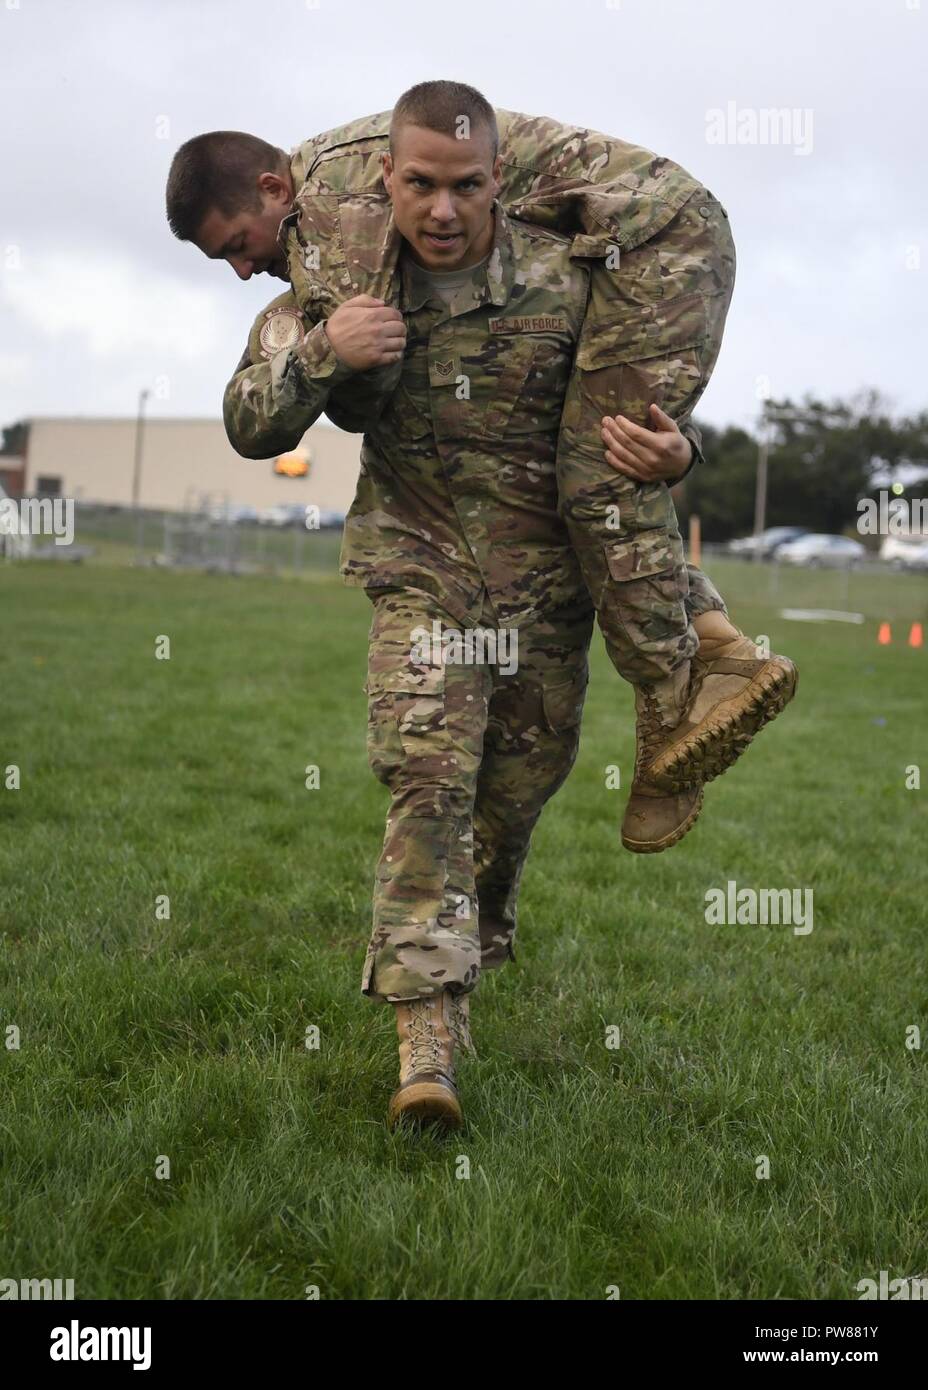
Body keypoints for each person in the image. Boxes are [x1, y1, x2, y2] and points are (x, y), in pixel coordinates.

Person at [166, 91, 797, 857]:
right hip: (651, 241)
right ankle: (716, 643)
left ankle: (675, 705)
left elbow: (366, 393)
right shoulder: (349, 179)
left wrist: (327, 349)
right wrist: (682, 450)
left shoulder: (329, 209)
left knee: (599, 468)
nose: (241, 270)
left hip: (664, 246)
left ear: (273, 191)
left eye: (237, 243)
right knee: (589, 468)